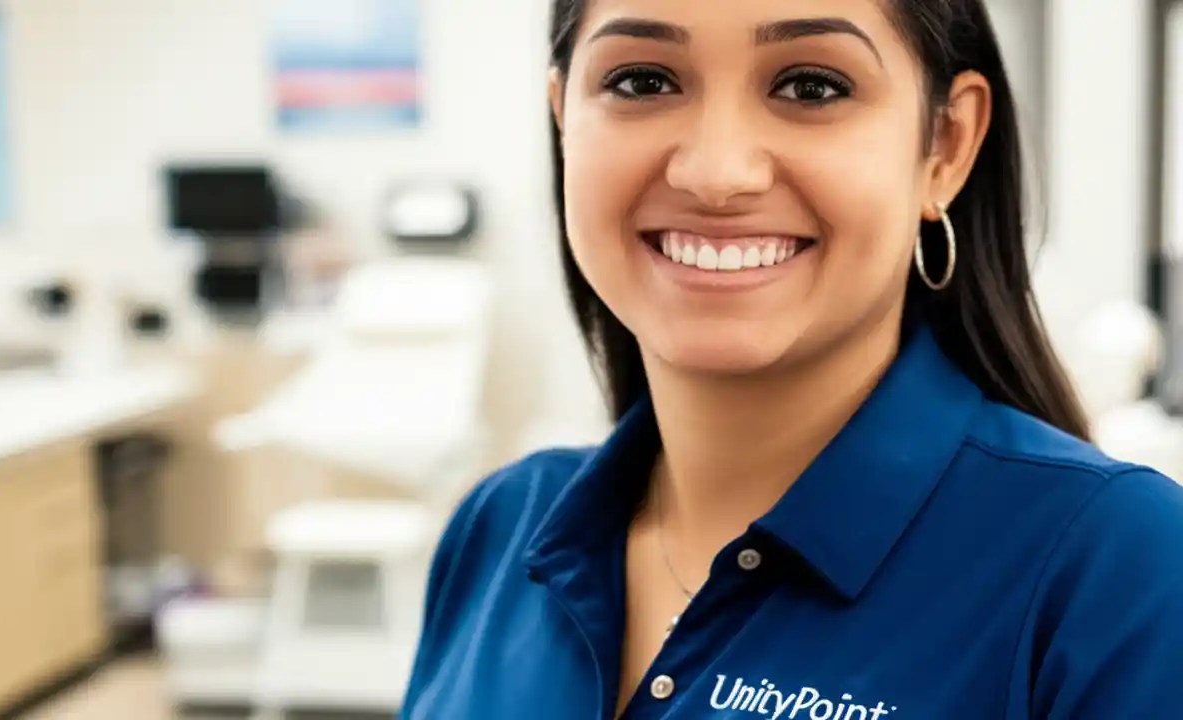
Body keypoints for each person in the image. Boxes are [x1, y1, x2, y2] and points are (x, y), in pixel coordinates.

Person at [402, 1, 1183, 717]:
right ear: (564, 118)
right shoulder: (498, 530)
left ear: (945, 145)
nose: (715, 173)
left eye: (810, 87)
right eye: (642, 80)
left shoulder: (1118, 567)